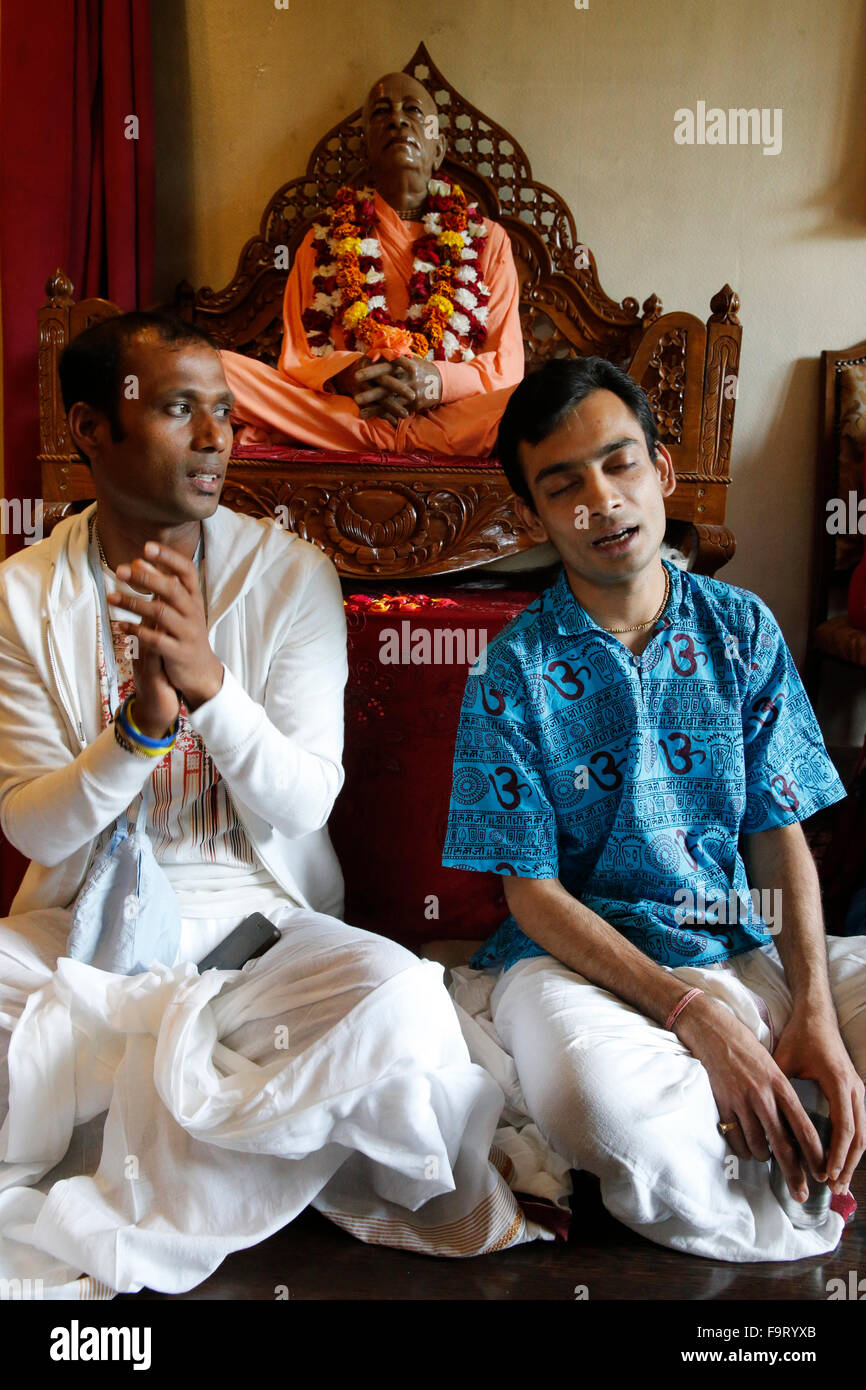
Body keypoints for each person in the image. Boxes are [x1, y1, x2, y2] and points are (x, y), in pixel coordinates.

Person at [0, 313, 546, 1299]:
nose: (219, 436)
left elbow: (303, 799)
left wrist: (212, 688)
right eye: (179, 410)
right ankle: (204, 1128)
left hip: (258, 930)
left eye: (225, 410)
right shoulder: (21, 595)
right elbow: (32, 826)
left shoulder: (286, 573)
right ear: (91, 427)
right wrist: (140, 730)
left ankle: (151, 1118)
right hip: (82, 933)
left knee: (396, 1005)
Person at [443, 356, 866, 1261]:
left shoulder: (742, 628)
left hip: (736, 930)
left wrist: (815, 1014)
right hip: (576, 957)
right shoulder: (509, 671)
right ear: (535, 514)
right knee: (607, 1118)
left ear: (661, 471)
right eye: (565, 486)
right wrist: (693, 1016)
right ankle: (781, 1129)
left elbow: (775, 829)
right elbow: (532, 895)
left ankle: (782, 1086)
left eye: (620, 463)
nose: (601, 500)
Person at [220, 71, 523, 457]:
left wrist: (437, 383)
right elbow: (297, 359)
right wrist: (350, 374)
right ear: (367, 149)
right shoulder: (322, 238)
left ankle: (389, 438)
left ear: (439, 149)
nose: (397, 119)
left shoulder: (488, 240)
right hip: (348, 410)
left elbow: (505, 366)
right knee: (216, 371)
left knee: (545, 399)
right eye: (382, 112)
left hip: (453, 414)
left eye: (412, 110)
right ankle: (396, 438)